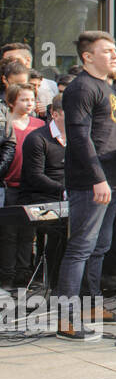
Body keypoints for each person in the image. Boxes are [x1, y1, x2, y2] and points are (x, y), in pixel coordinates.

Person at [57, 31, 116, 338]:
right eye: (108, 51)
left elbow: (109, 134)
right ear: (88, 56)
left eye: (115, 51)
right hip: (90, 182)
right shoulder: (81, 88)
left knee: (100, 246)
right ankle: (65, 318)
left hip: (111, 178)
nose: (115, 56)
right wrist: (99, 178)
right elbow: (80, 137)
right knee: (80, 248)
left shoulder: (106, 87)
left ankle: (91, 305)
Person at [14, 94, 66, 292]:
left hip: (65, 197)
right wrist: (64, 190)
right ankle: (55, 284)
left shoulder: (77, 137)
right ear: (54, 114)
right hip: (38, 198)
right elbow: (35, 176)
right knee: (60, 231)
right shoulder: (37, 139)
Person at [0, 83, 42, 288]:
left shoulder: (38, 124)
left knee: (27, 233)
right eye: (24, 99)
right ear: (11, 102)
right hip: (9, 184)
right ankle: (7, 275)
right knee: (8, 233)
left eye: (32, 99)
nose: (29, 103)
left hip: (32, 187)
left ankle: (24, 274)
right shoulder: (5, 123)